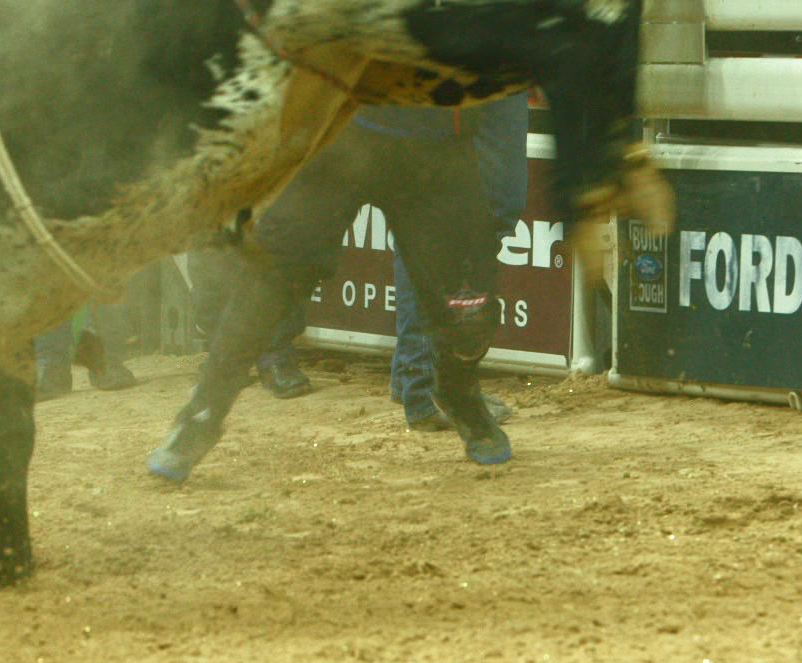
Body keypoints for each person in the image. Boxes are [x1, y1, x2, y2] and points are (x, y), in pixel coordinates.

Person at [150, 94, 528, 482]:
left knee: (469, 313)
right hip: (341, 138)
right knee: (271, 277)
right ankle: (201, 413)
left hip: (436, 151)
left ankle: (459, 395)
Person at [20, 0, 143, 399]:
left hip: (128, 66)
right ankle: (50, 357)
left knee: (117, 211)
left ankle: (109, 351)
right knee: (51, 215)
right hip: (57, 68)